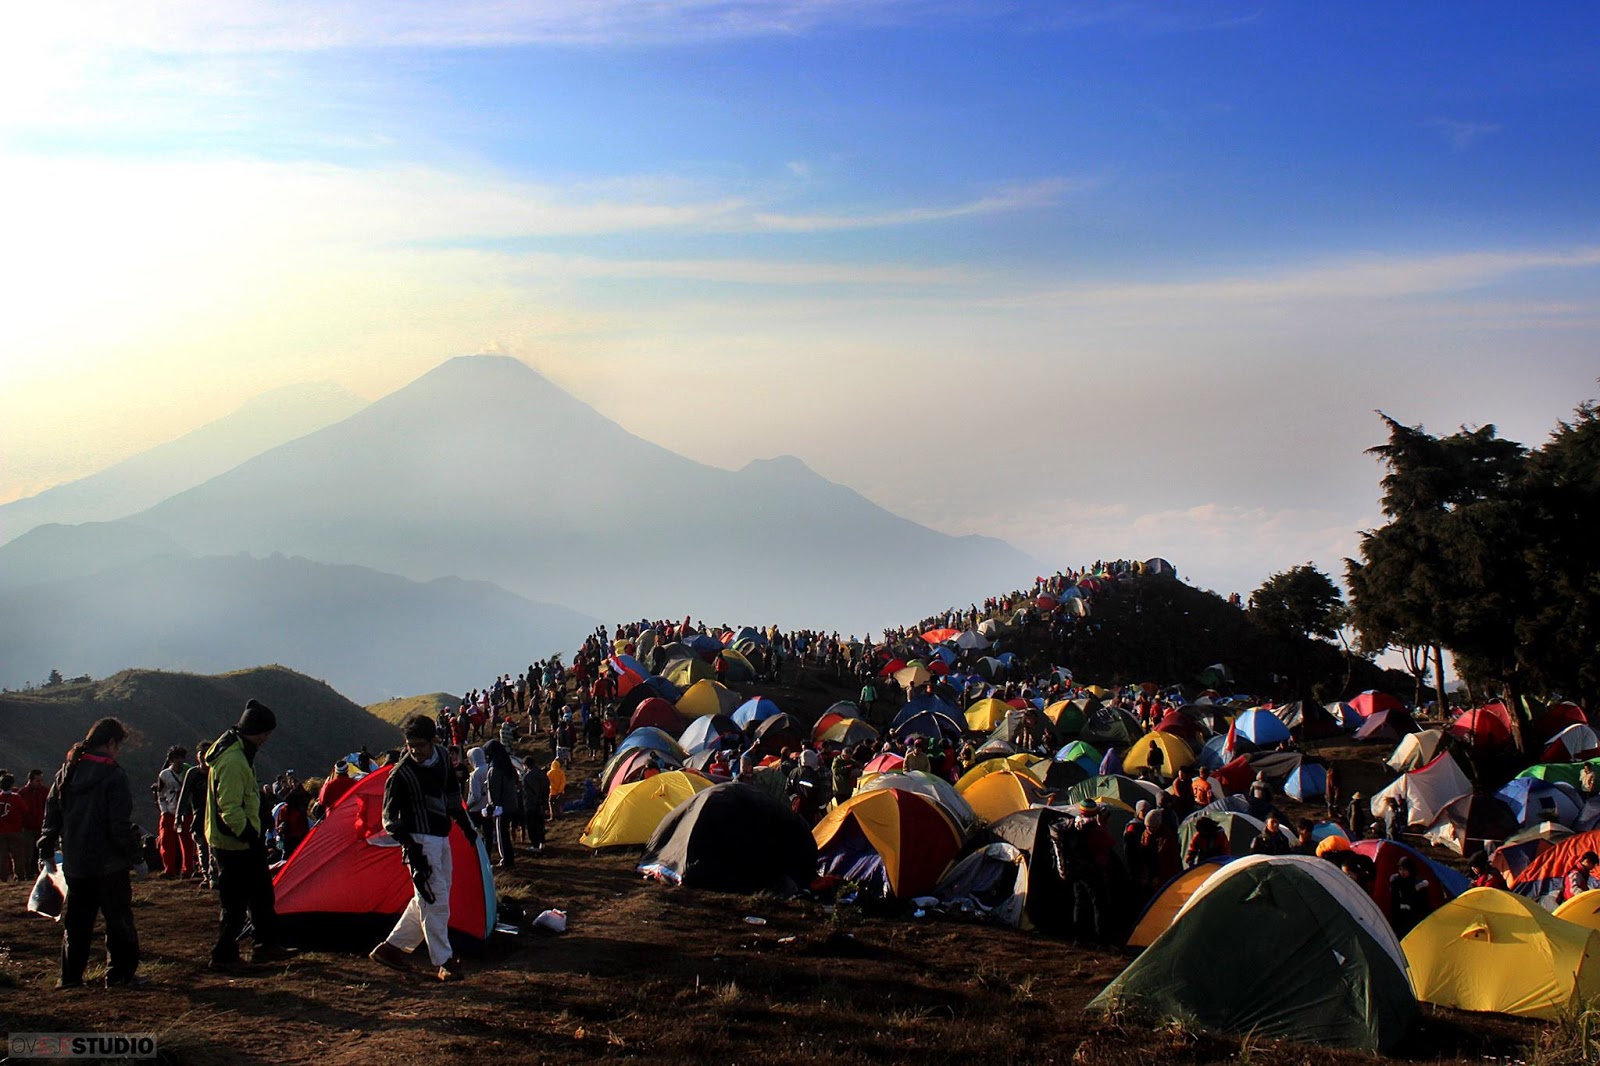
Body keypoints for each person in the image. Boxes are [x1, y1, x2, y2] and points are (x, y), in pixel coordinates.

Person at [370, 715, 478, 982]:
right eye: (411, 745)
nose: (415, 751)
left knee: (430, 897)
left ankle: (391, 949)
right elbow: (388, 819)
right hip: (419, 839)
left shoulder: (442, 758)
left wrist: (466, 825)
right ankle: (444, 961)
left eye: (420, 745)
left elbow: (452, 794)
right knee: (435, 899)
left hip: (441, 835)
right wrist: (412, 849)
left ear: (434, 741)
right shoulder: (401, 774)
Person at [39, 718, 146, 989]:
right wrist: (136, 857)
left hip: (76, 862)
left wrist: (46, 848)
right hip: (110, 864)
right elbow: (119, 824)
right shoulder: (113, 775)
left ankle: (70, 977)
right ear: (110, 743)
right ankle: (120, 975)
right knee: (118, 921)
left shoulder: (67, 771)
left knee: (76, 923)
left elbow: (52, 813)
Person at [206, 699, 291, 970]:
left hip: (244, 839)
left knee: (261, 894)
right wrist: (248, 835)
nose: (267, 738)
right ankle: (224, 955)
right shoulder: (232, 760)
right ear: (255, 731)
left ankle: (266, 944)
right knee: (235, 901)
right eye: (265, 732)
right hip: (233, 843)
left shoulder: (242, 752)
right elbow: (229, 807)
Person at [480, 739, 522, 870]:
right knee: (506, 833)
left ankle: (506, 860)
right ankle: (509, 858)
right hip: (511, 804)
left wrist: (492, 806)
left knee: (501, 834)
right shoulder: (508, 767)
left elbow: (494, 790)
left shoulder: (494, 769)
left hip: (501, 807)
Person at [154, 747, 189, 878]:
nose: (179, 761)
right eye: (176, 758)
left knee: (187, 843)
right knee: (166, 842)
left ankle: (188, 870)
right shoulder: (164, 775)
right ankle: (169, 870)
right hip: (169, 812)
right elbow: (161, 794)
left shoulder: (188, 771)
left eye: (181, 758)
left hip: (185, 812)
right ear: (171, 760)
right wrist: (164, 811)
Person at [1388, 855, 1433, 937]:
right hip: (1399, 916)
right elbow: (1394, 900)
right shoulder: (1396, 881)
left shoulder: (1418, 883)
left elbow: (1422, 904)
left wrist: (1416, 890)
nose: (1402, 872)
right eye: (1400, 869)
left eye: (1405, 870)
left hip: (1414, 917)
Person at [0, 772, 27, 880]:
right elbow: (25, 810)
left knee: (2, 856)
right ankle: (19, 876)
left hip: (1, 831)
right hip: (15, 830)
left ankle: (2, 876)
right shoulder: (16, 798)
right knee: (17, 855)